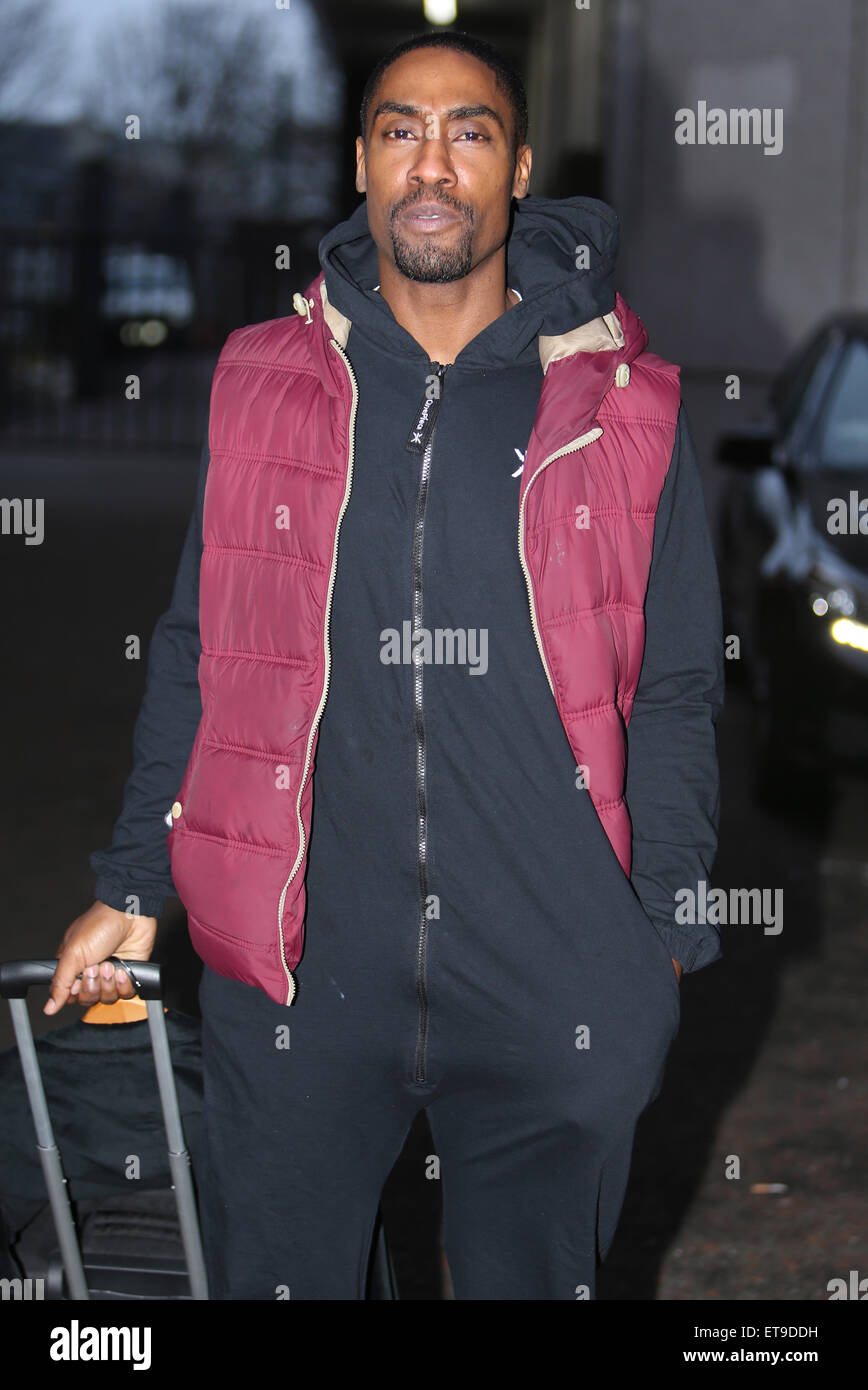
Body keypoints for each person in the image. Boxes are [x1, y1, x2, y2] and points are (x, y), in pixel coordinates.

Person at [45, 30, 725, 1299]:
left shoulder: (628, 407)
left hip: (554, 967)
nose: (431, 162)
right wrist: (139, 873)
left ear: (515, 167)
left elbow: (679, 683)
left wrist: (661, 929)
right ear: (360, 162)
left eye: (466, 132)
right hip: (303, 971)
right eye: (401, 130)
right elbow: (205, 643)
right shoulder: (263, 383)